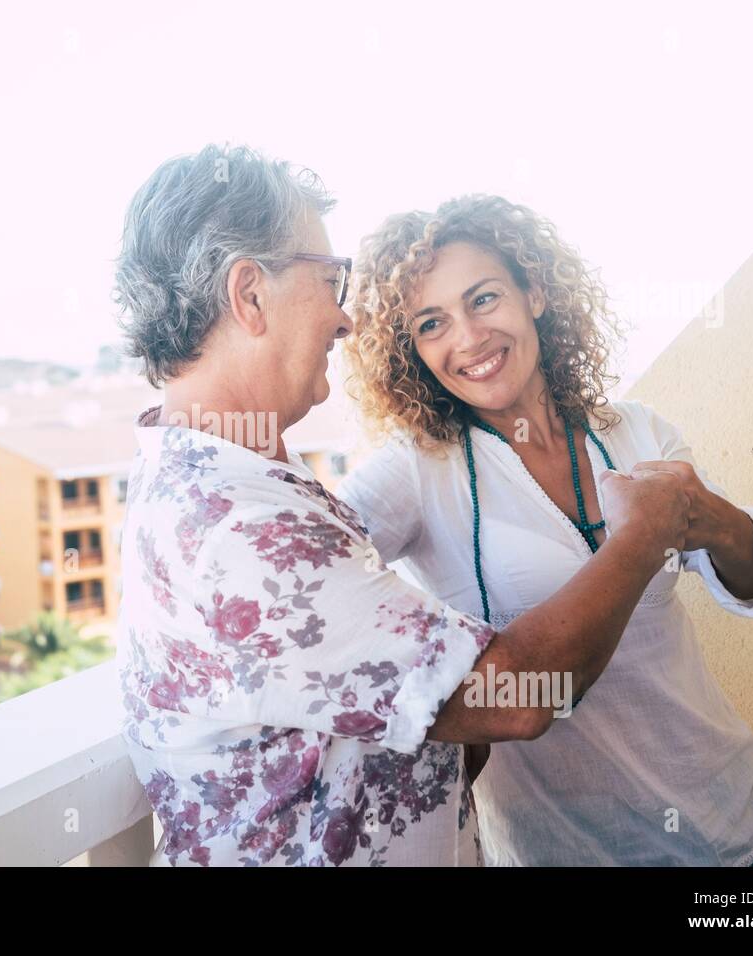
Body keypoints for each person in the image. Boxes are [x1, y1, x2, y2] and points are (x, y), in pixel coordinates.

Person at [112, 146, 689, 866]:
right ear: (250, 295)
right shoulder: (237, 530)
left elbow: (370, 701)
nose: (345, 317)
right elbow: (517, 699)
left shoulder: (232, 478)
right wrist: (641, 538)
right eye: (330, 279)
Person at [338, 194, 753, 865]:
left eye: (484, 299)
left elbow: (751, 586)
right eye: (432, 323)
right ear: (413, 351)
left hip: (729, 829)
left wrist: (705, 514)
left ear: (536, 292)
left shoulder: (634, 429)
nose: (468, 338)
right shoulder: (414, 471)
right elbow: (313, 579)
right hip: (565, 850)